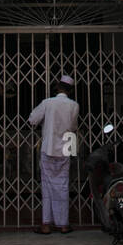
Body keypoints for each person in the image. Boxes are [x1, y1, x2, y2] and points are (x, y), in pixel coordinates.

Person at [28, 75, 80, 235]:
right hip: (65, 148)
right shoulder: (74, 105)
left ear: (57, 87)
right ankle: (63, 224)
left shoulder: (48, 103)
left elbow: (32, 120)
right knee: (63, 185)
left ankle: (46, 224)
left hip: (48, 148)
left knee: (47, 186)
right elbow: (72, 126)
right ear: (70, 90)